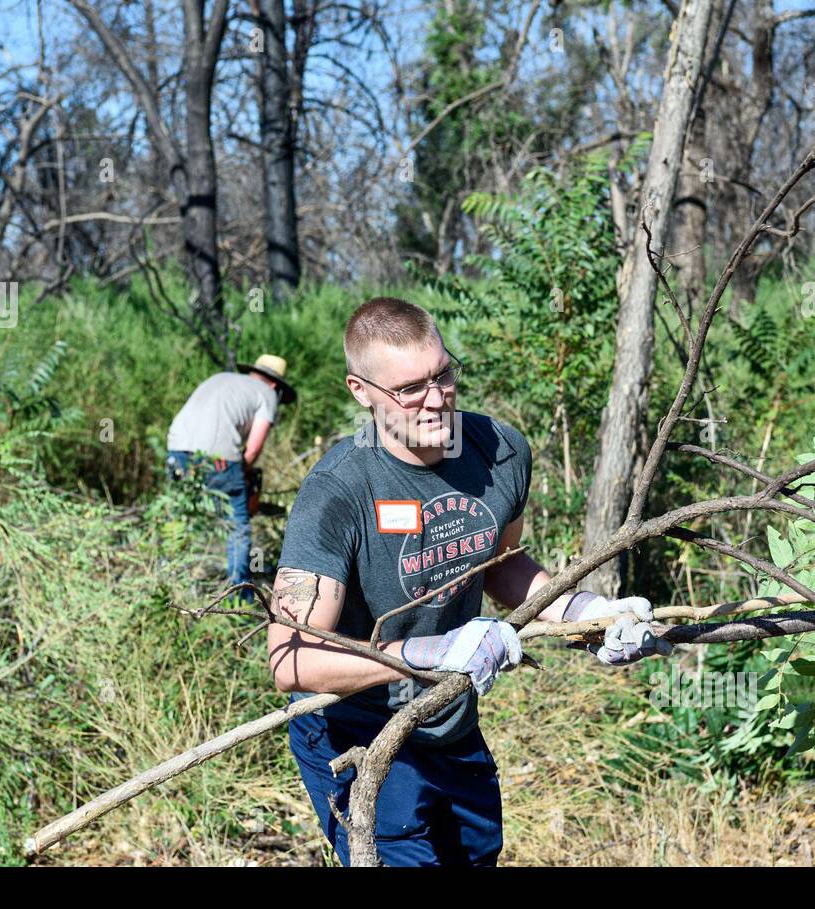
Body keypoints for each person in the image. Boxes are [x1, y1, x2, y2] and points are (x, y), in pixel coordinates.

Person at [267, 297, 672, 866]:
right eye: (409, 389)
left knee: (477, 857)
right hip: (358, 729)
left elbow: (501, 564)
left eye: (443, 375)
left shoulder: (498, 452)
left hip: (449, 721)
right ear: (361, 391)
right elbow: (291, 659)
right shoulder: (337, 490)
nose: (436, 400)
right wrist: (430, 651)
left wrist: (587, 614)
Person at [167, 354, 296, 601]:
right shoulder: (267, 394)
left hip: (177, 448)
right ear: (275, 384)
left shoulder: (220, 377)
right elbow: (254, 448)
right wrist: (243, 473)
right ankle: (238, 595)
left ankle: (175, 583)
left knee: (183, 515)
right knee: (237, 525)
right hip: (220, 457)